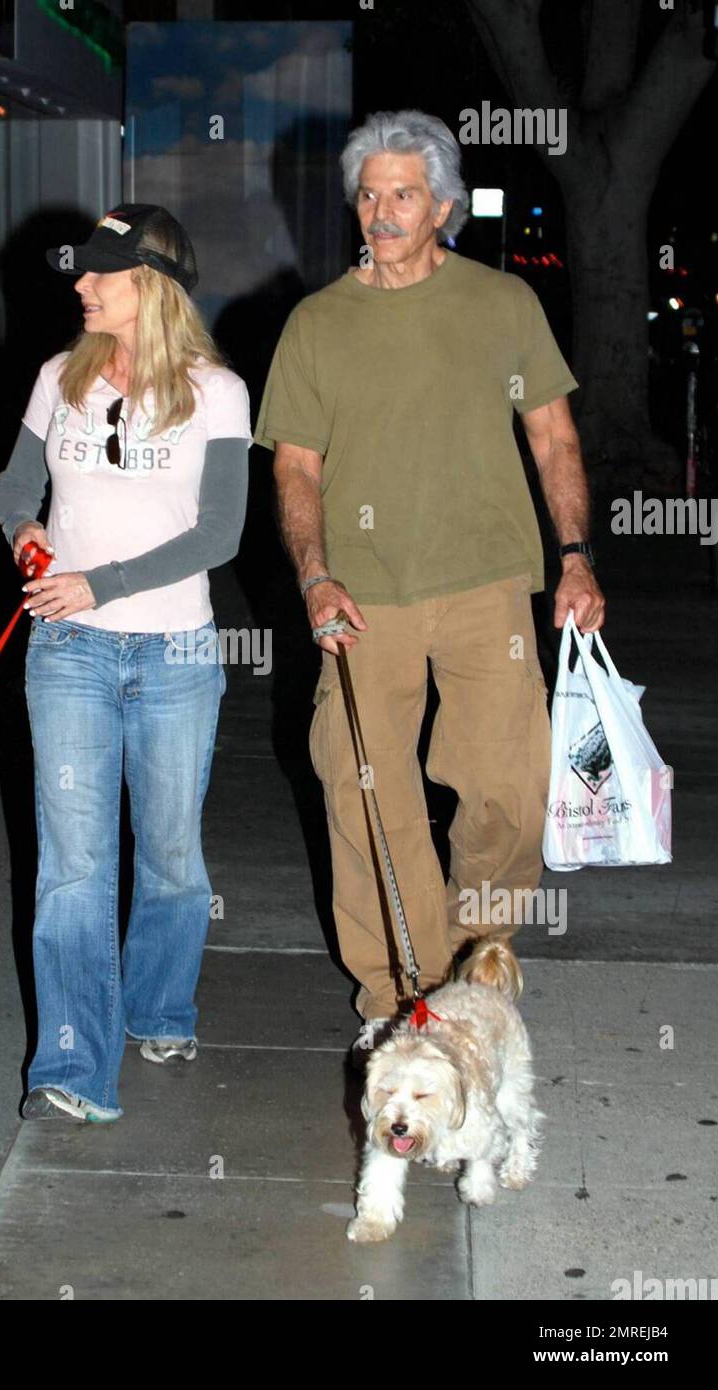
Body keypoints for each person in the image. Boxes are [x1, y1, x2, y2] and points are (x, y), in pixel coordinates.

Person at [254, 111, 605, 1050]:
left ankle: (471, 961)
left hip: (488, 583)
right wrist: (316, 577)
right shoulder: (318, 321)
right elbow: (294, 466)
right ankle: (398, 999)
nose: (380, 211)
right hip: (363, 597)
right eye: (367, 194)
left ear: (443, 204)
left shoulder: (502, 305)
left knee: (508, 788)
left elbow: (554, 438)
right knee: (365, 788)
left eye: (401, 194)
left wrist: (573, 558)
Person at [0, 204, 251, 1122]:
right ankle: (70, 1062)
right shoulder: (58, 376)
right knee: (73, 865)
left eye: (103, 271)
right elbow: (15, 486)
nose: (81, 283)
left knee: (172, 854)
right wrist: (25, 532)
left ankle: (159, 1003)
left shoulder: (216, 392)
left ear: (153, 285)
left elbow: (220, 532)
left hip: (175, 652)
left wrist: (100, 583)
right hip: (66, 650)